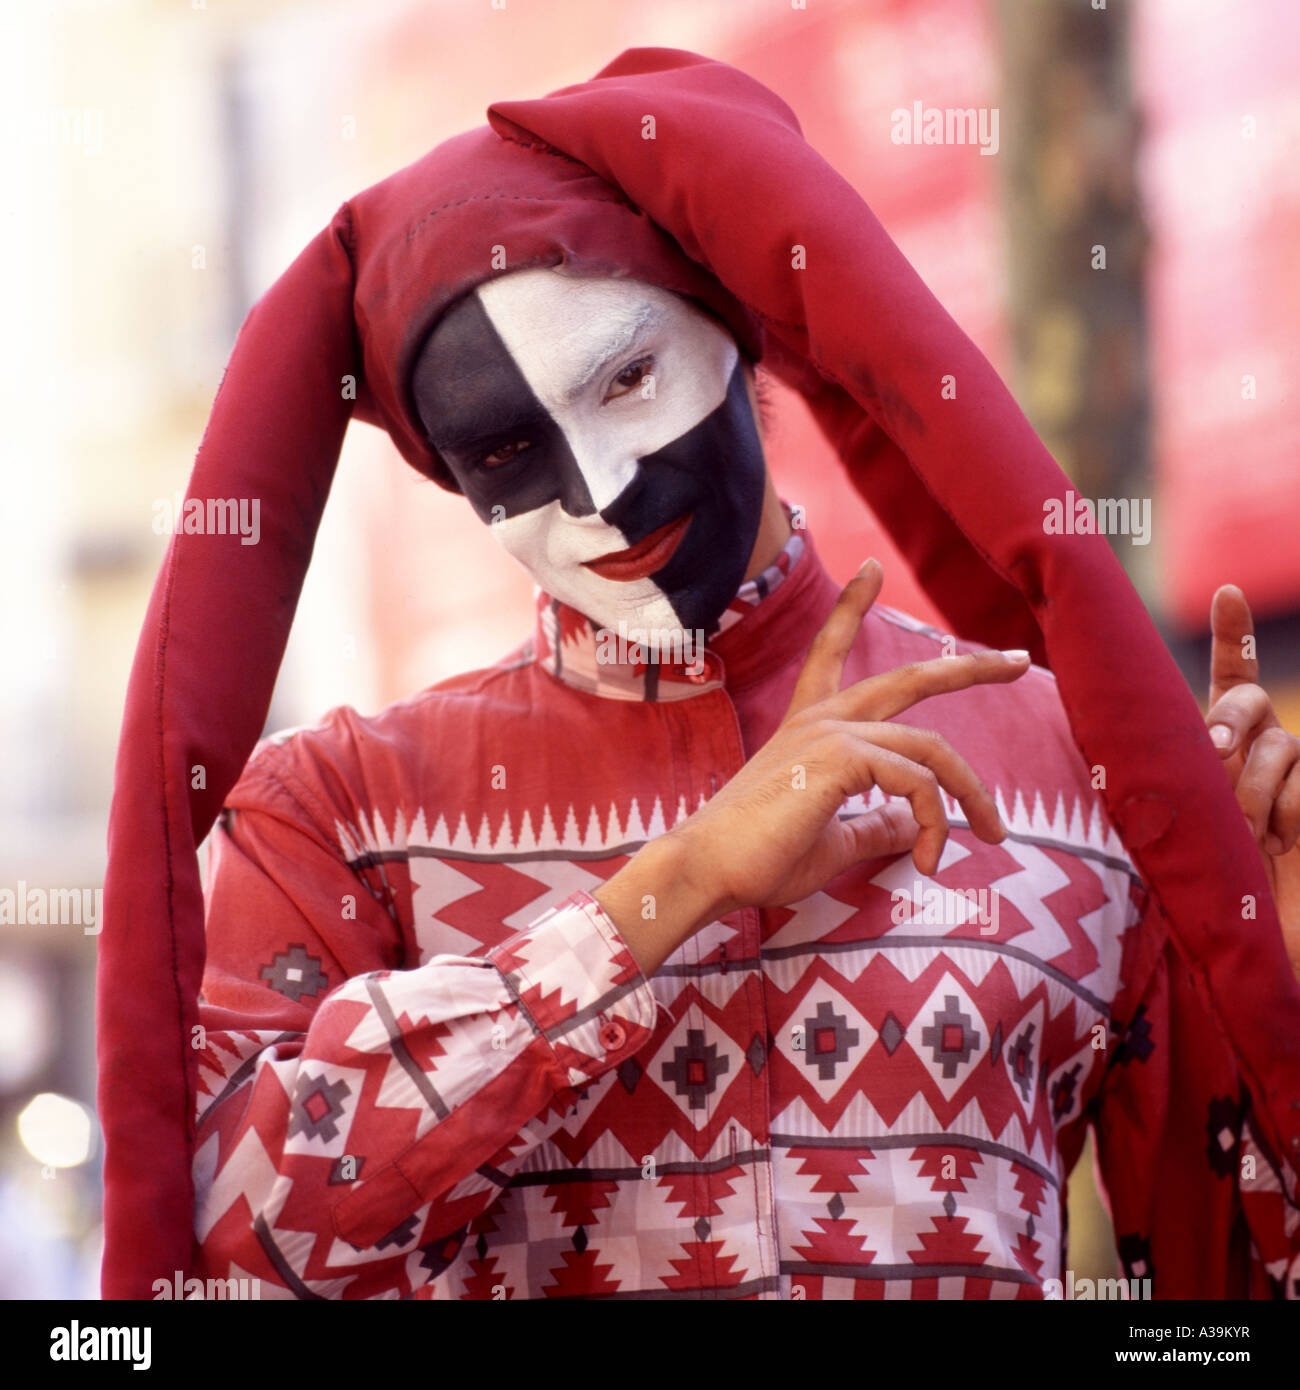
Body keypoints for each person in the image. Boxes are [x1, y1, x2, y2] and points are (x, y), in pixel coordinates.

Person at [100, 49, 1300, 1300]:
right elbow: (240, 1262)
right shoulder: (338, 815)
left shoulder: (1071, 763)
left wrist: (1276, 957)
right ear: (452, 484)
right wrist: (659, 901)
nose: (604, 489)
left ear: (738, 328)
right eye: (508, 452)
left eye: (627, 378)